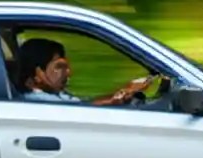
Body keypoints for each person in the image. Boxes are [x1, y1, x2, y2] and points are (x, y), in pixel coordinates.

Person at [16, 37, 154, 106]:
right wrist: (123, 93)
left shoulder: (53, 94)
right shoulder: (39, 102)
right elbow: (83, 111)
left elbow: (85, 104)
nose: (68, 73)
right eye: (59, 67)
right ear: (38, 73)